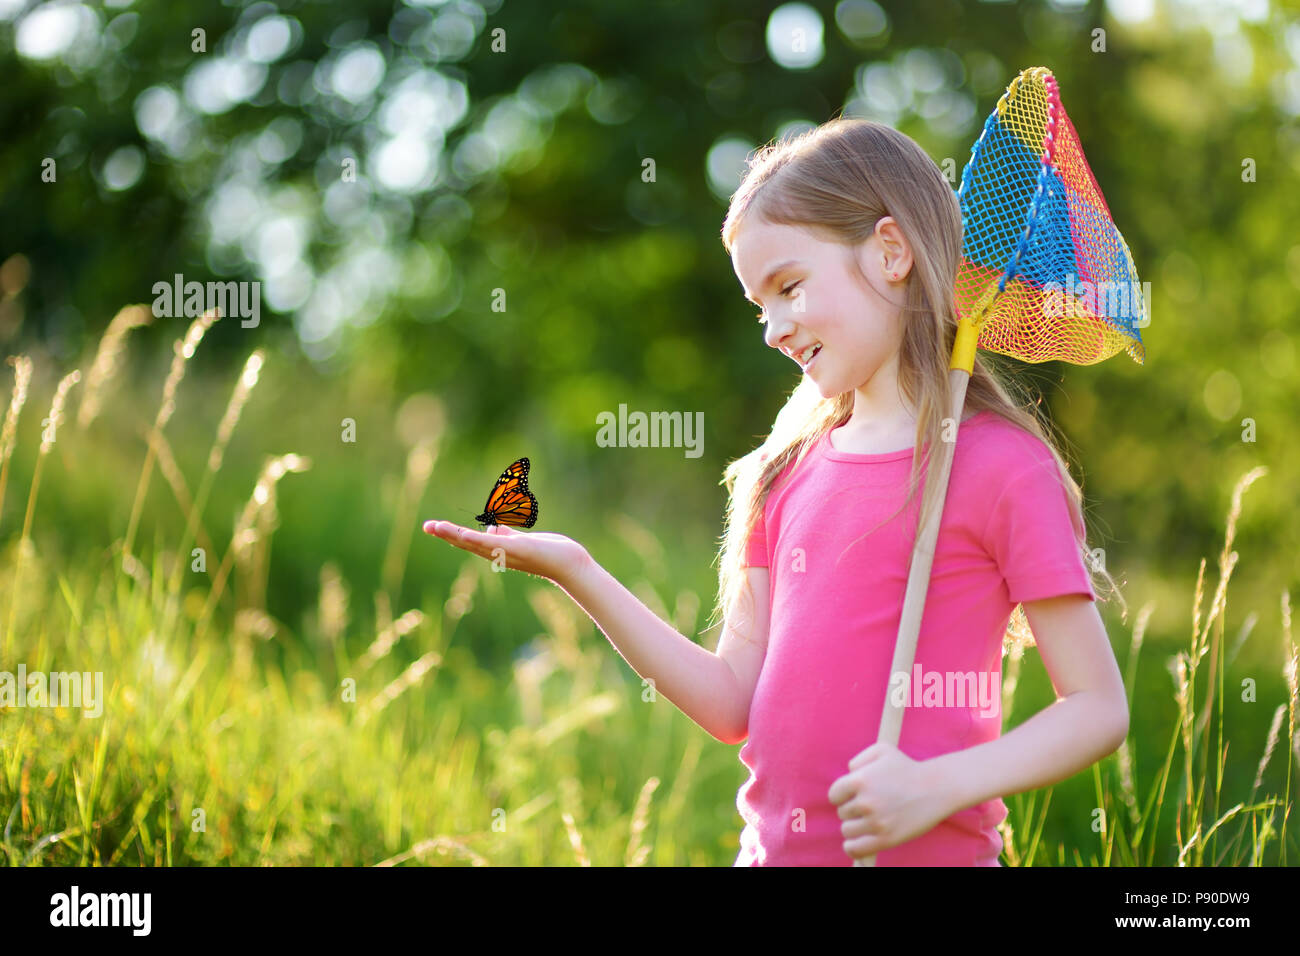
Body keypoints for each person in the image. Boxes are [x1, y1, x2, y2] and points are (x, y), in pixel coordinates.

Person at [424, 117, 1129, 866]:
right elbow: (732, 701)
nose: (773, 328)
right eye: (760, 305)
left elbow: (1095, 708)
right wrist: (578, 570)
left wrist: (935, 786)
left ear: (891, 250)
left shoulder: (999, 467)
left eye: (789, 287)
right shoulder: (783, 471)